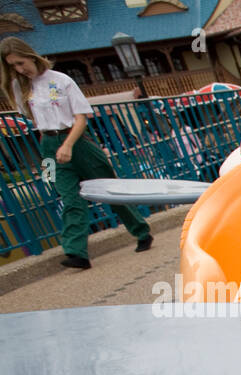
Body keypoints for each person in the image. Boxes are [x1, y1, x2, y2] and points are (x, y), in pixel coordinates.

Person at [1, 37, 151, 269]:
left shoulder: (62, 80)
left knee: (108, 190)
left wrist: (67, 144)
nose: (20, 69)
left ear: (31, 56)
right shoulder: (20, 87)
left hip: (77, 141)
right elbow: (30, 117)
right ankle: (76, 252)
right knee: (69, 197)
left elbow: (81, 117)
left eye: (21, 63)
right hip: (49, 145)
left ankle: (142, 231)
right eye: (13, 66)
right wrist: (51, 140)